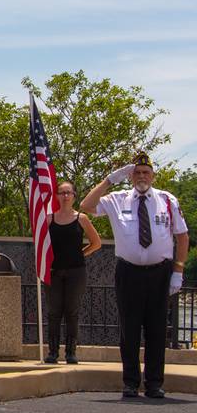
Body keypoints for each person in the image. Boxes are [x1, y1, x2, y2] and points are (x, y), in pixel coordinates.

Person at [81, 152, 189, 399]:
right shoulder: (117, 199)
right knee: (129, 330)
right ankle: (130, 382)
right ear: (130, 177)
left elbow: (182, 237)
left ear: (153, 176)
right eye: (137, 173)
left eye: (146, 172)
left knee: (157, 329)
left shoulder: (167, 200)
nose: (142, 176)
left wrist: (178, 271)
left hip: (159, 273)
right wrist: (110, 179)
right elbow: (86, 206)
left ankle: (154, 383)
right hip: (128, 272)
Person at [44, 181, 101, 364]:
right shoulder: (49, 218)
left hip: (76, 271)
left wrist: (81, 254)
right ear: (57, 196)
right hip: (54, 271)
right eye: (62, 193)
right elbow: (40, 243)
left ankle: (71, 352)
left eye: (69, 192)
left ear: (74, 196)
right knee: (54, 312)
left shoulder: (82, 218)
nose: (65, 196)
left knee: (72, 312)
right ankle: (52, 352)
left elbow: (96, 243)